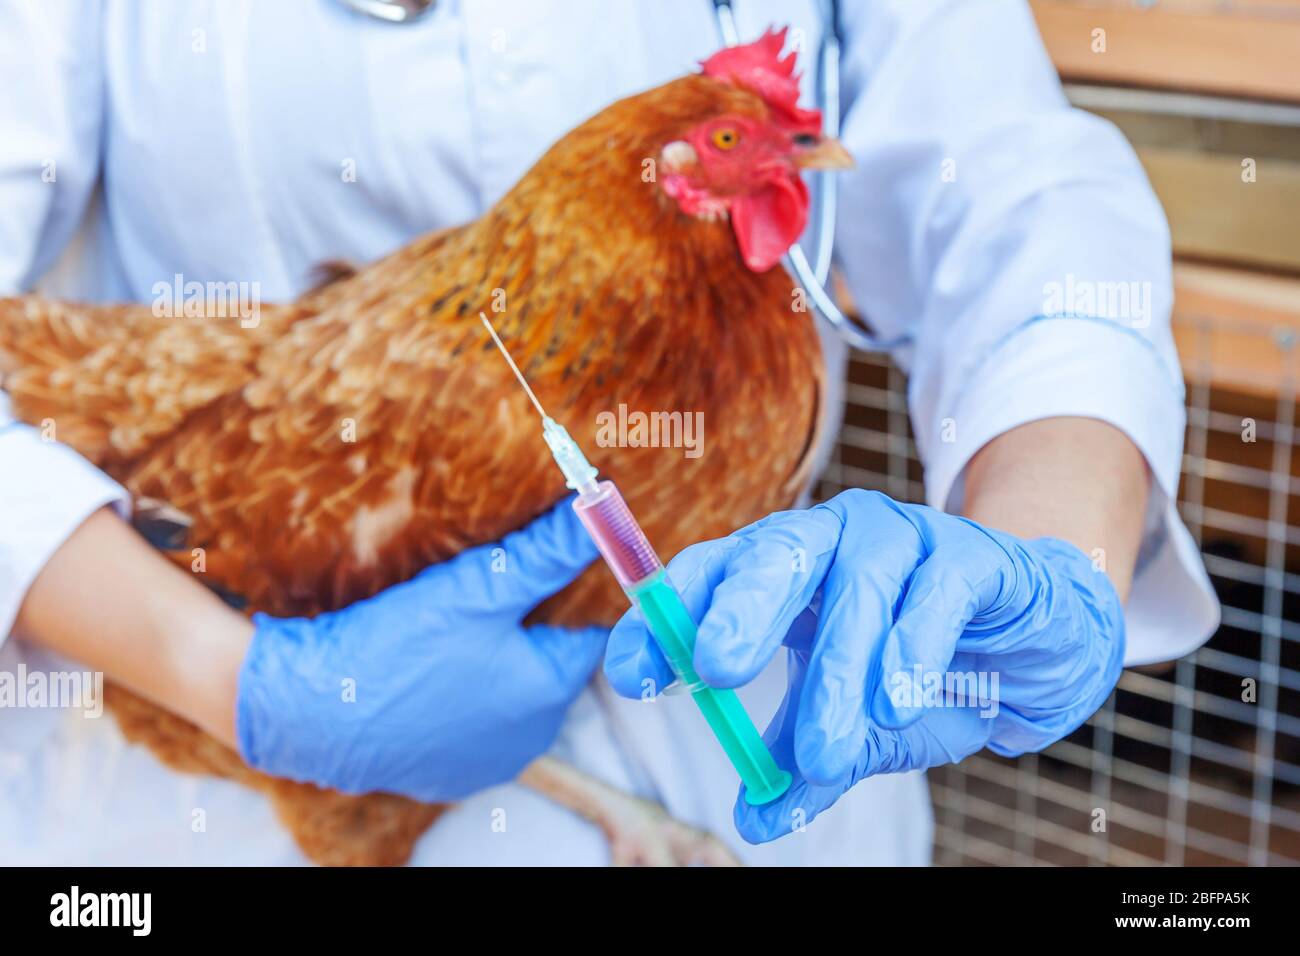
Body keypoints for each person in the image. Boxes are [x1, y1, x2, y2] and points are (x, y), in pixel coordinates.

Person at [0, 0, 1218, 865]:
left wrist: (1053, 545)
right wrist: (235, 675)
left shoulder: (728, 336)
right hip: (215, 763)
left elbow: (1017, 197)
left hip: (736, 777)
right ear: (678, 175)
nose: (796, 151)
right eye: (743, 142)